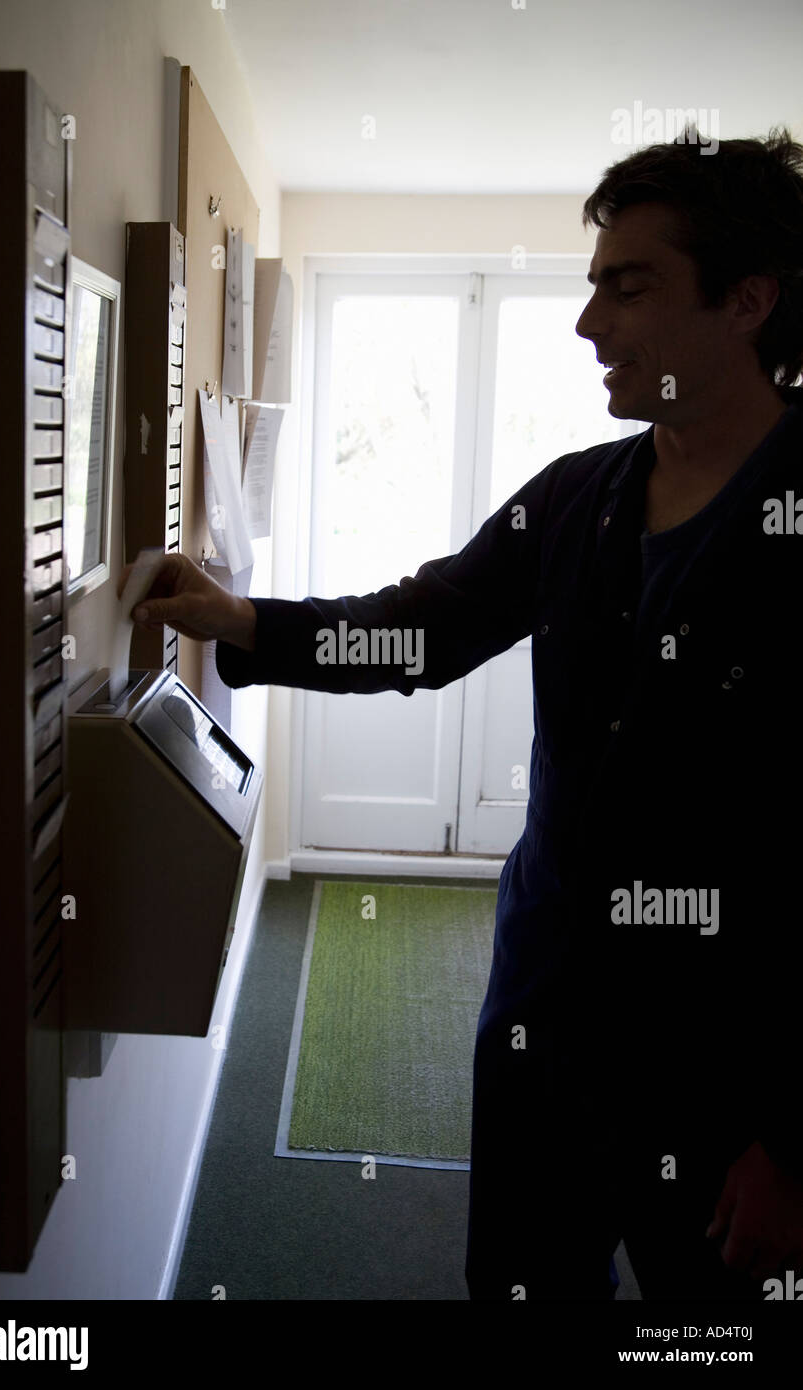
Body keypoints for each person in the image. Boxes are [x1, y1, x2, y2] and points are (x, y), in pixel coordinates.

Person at [118, 125, 803, 1302]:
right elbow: (421, 629)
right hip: (545, 1012)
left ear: (746, 302)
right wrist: (242, 622)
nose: (590, 325)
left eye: (627, 288)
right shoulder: (581, 498)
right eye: (591, 287)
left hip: (725, 1061)